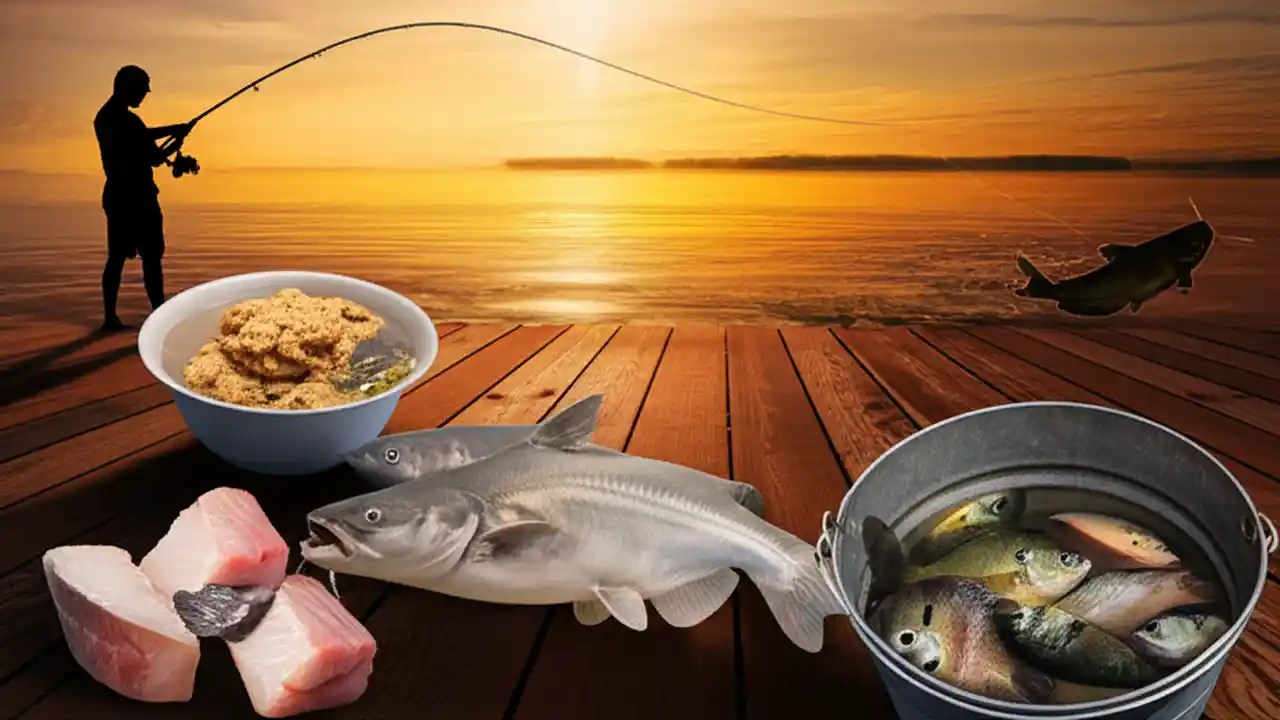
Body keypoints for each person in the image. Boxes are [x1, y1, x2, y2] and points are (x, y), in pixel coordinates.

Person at [93, 65, 191, 331]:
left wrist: (176, 137)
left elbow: (155, 158)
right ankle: (110, 318)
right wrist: (174, 130)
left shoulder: (131, 120)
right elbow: (139, 142)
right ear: (127, 87)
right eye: (141, 90)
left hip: (142, 196)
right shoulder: (108, 118)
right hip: (123, 198)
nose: (144, 96)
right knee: (117, 257)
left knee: (151, 257)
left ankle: (158, 313)